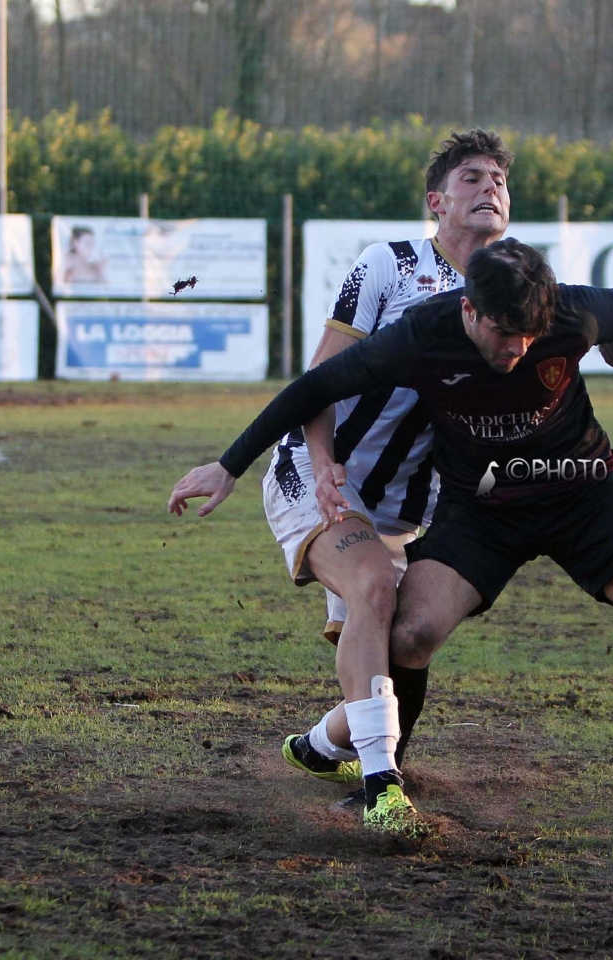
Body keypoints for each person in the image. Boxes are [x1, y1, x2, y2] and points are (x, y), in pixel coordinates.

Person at [168, 239, 613, 841]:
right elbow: (312, 387)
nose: (518, 349)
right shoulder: (422, 333)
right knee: (410, 634)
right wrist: (229, 465)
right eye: (505, 334)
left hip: (584, 493)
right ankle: (384, 783)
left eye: (531, 336)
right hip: (482, 507)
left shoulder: (572, 309)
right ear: (470, 310)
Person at [211, 129, 512, 835]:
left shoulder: (514, 285)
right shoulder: (391, 265)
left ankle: (321, 747)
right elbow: (318, 380)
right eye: (472, 178)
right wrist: (323, 469)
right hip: (318, 474)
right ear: (437, 202)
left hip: (408, 508)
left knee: (406, 643)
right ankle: (382, 787)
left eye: (499, 180)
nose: (489, 188)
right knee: (374, 590)